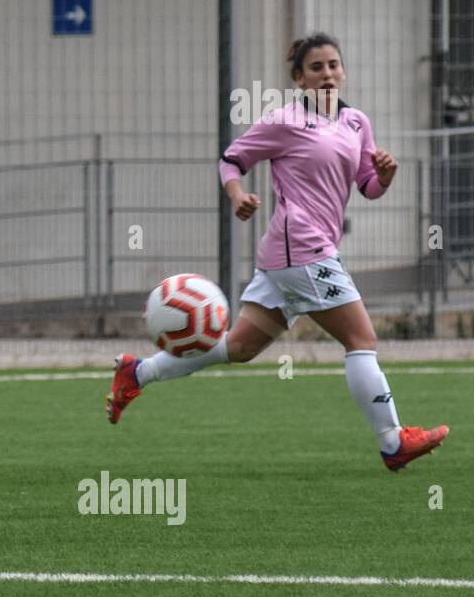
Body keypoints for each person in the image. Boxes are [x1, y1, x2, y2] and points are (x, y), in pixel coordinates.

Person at [106, 33, 449, 471]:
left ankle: (137, 373)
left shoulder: (356, 123)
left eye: (333, 65)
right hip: (302, 248)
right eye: (316, 68)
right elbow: (230, 160)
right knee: (361, 339)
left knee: (240, 348)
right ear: (299, 78)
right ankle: (391, 442)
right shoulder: (283, 122)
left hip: (292, 256)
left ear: (342, 71)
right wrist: (236, 196)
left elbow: (368, 186)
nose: (327, 74)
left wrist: (386, 174)